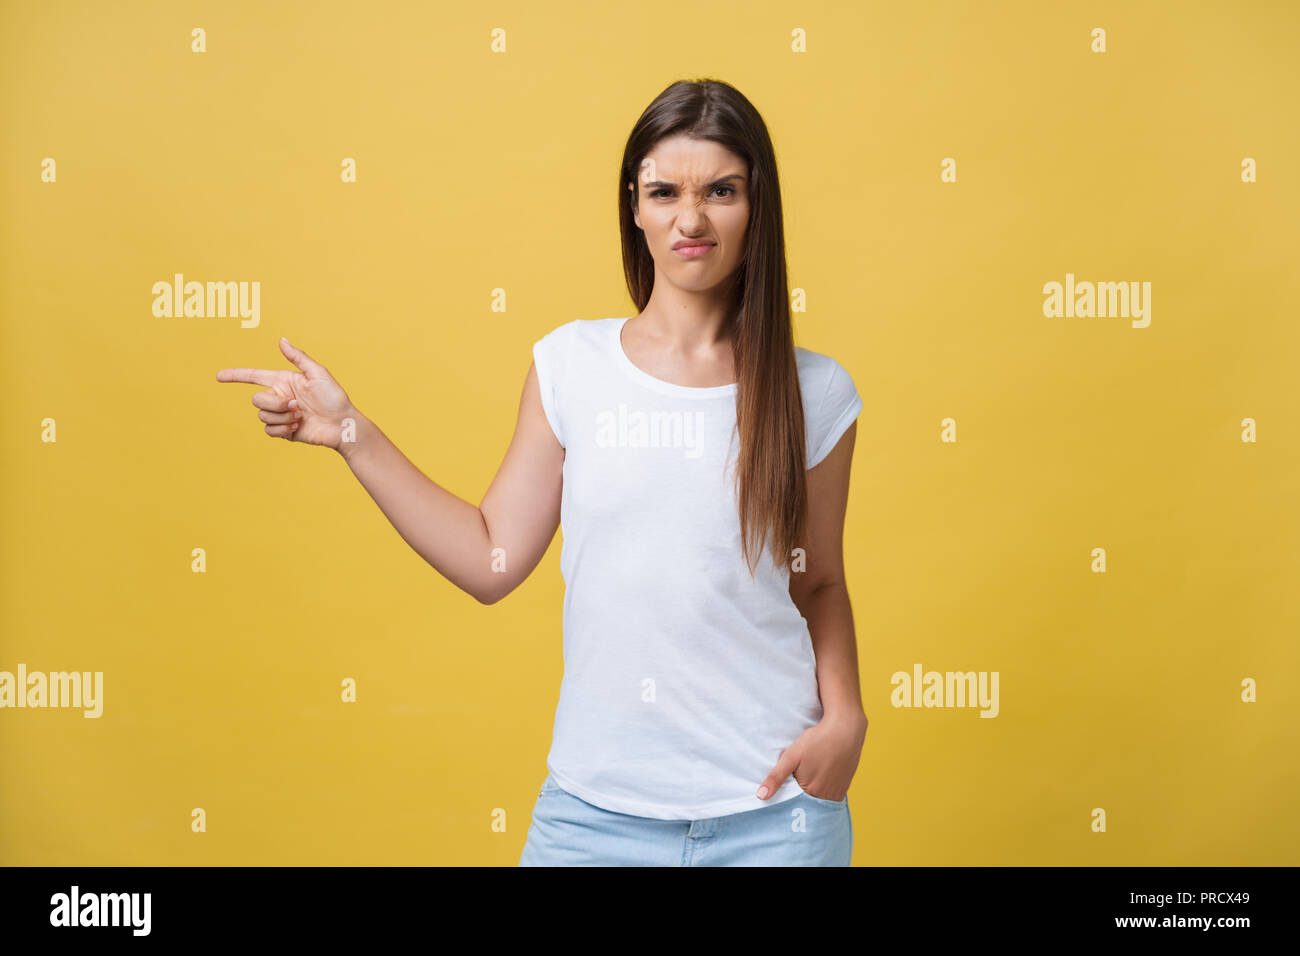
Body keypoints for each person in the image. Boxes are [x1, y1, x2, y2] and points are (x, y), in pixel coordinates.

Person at [216, 78, 868, 866]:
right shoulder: (571, 366)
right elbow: (491, 559)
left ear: (755, 204)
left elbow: (818, 581)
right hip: (596, 821)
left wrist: (846, 720)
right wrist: (351, 432)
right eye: (664, 192)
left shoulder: (816, 390)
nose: (690, 219)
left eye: (720, 191)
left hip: (777, 815)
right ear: (634, 204)